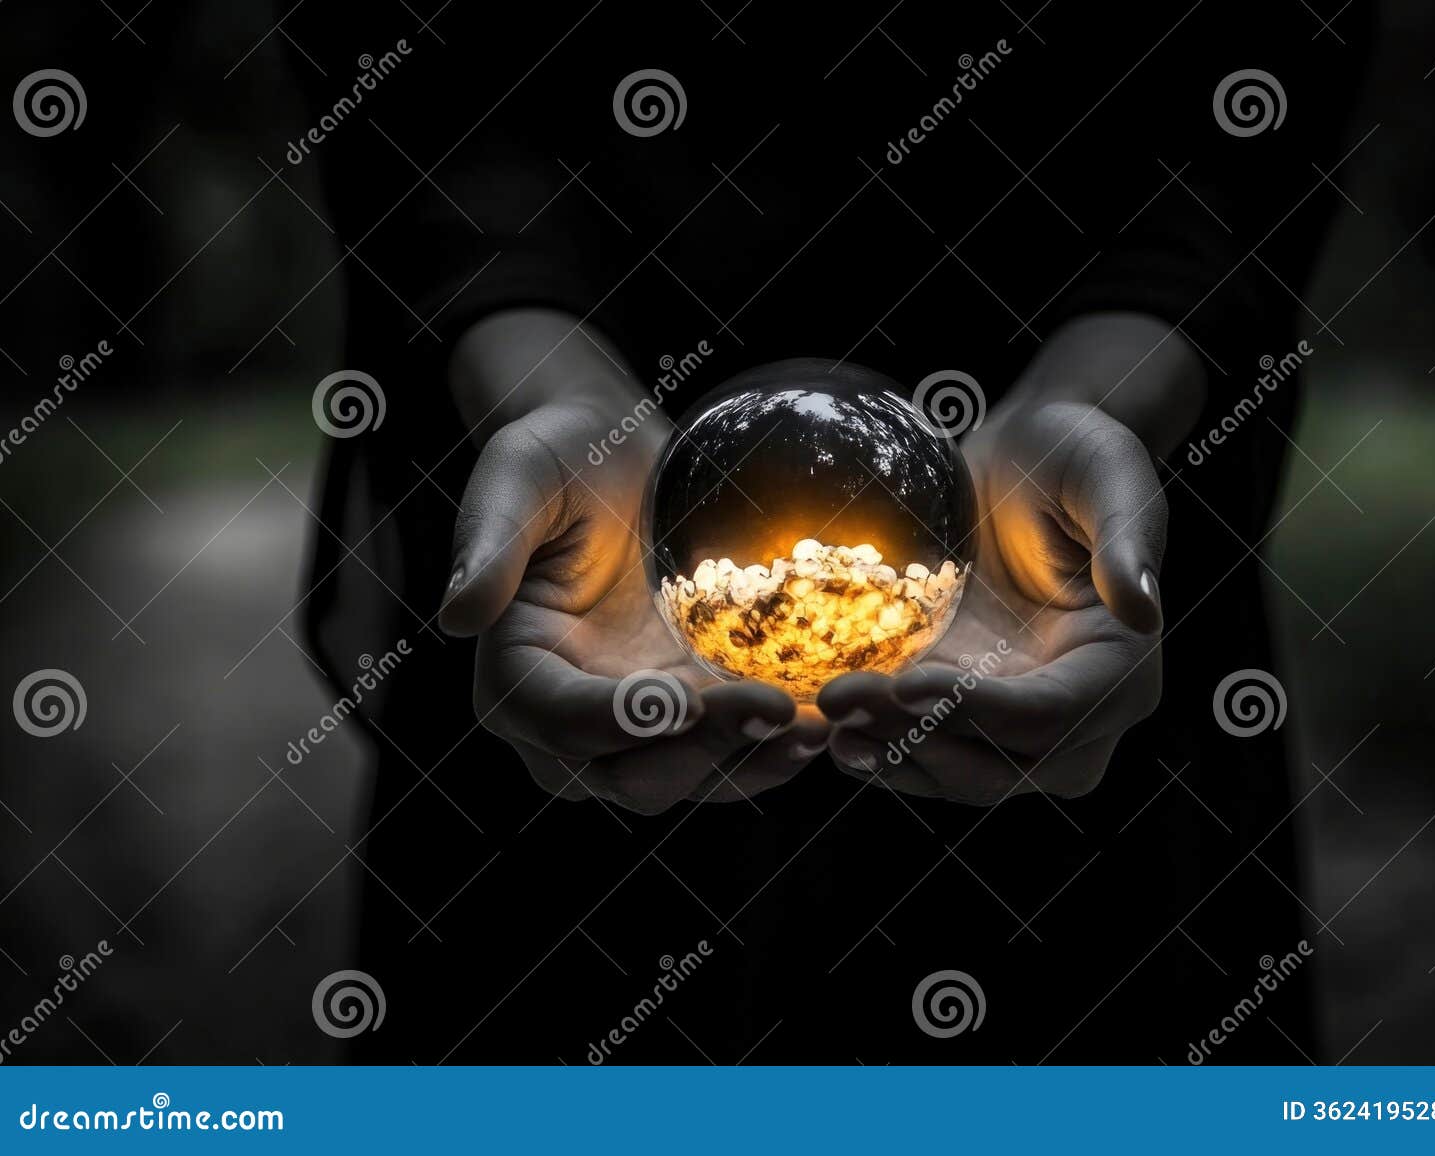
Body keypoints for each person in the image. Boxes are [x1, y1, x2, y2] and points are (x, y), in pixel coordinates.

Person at [290, 1, 1371, 1062]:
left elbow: (1247, 106)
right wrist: (546, 387)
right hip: (587, 575)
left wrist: (1106, 395)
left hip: (1053, 596)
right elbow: (427, 94)